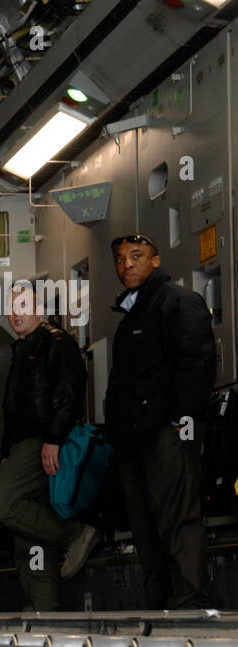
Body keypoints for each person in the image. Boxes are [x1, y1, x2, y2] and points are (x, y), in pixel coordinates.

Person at [103, 234, 216, 609]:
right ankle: (160, 610)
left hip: (166, 435)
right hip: (133, 444)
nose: (127, 264)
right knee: (146, 530)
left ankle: (190, 607)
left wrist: (180, 423)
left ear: (155, 261)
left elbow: (197, 363)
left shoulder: (178, 302)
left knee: (179, 522)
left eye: (137, 256)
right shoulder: (130, 319)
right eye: (120, 259)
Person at [0, 281, 97, 610]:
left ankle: (74, 533)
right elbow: (12, 409)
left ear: (39, 310)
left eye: (24, 306)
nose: (17, 314)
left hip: (41, 442)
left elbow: (68, 392)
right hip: (21, 446)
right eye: (12, 308)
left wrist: (53, 438)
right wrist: (6, 453)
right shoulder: (20, 349)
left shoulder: (55, 342)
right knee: (31, 541)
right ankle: (44, 611)